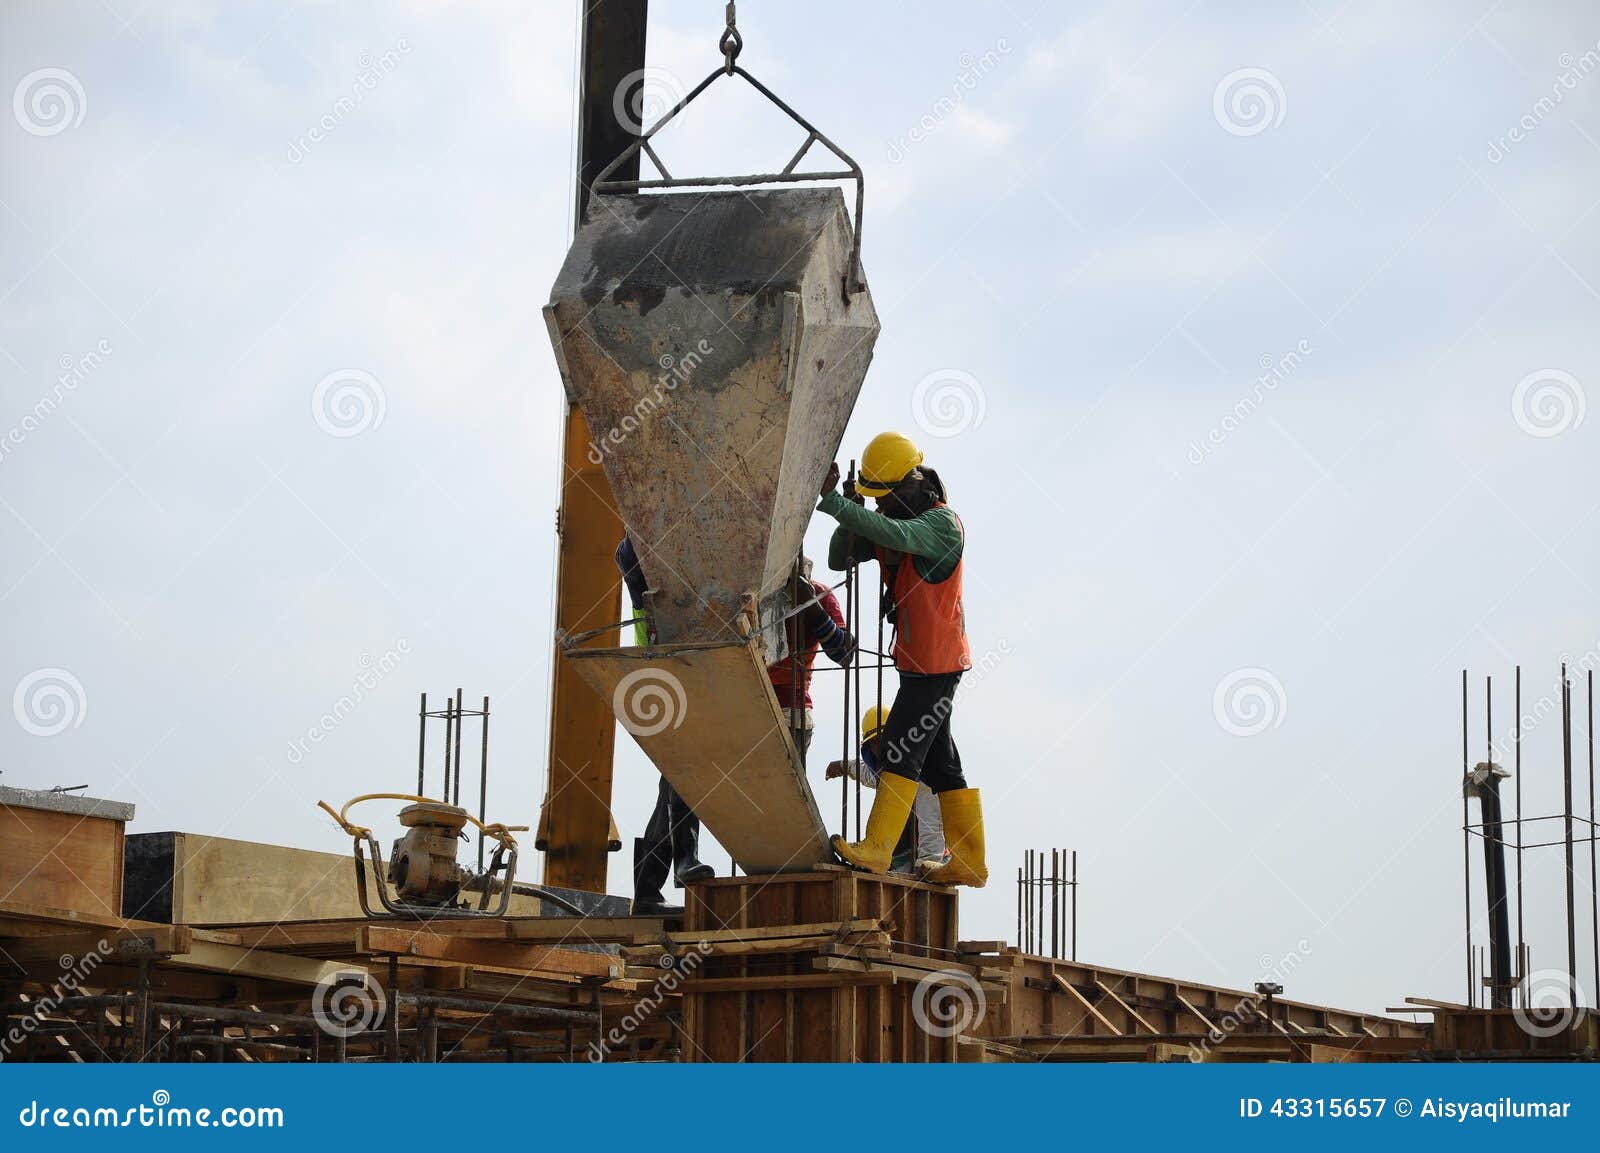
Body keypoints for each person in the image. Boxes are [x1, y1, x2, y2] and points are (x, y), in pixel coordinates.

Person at [815, 431, 987, 887]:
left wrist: (838, 502)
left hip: (936, 666)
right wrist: (852, 511)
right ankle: (969, 861)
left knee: (900, 749)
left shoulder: (939, 526)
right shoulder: (892, 519)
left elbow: (894, 533)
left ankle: (877, 849)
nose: (880, 507)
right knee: (940, 763)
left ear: (908, 485)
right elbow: (839, 558)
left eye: (883, 498)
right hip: (918, 664)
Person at [617, 536, 713, 913]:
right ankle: (684, 861)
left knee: (670, 790)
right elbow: (626, 554)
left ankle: (647, 891)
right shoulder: (639, 556)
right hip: (663, 680)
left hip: (669, 677)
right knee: (684, 778)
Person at [826, 705, 947, 874]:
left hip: (925, 855)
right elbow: (869, 774)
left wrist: (929, 862)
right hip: (901, 856)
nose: (880, 748)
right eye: (874, 743)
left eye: (884, 740)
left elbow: (932, 822)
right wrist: (843, 766)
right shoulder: (887, 768)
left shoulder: (920, 775)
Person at [768, 557, 856, 764]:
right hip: (743, 702)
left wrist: (811, 605)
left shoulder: (818, 594)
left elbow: (844, 654)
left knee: (782, 788)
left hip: (789, 709)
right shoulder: (749, 591)